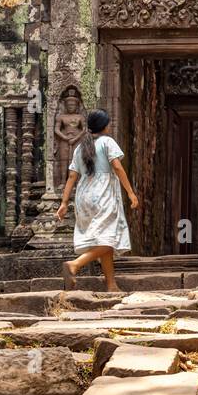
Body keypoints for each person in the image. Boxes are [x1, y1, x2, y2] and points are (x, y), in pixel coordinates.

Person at [56, 109, 140, 292]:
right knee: (110, 238)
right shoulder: (107, 142)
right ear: (105, 126)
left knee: (104, 237)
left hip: (83, 196)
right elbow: (117, 167)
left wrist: (63, 203)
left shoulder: (80, 147)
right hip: (103, 194)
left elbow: (71, 176)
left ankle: (111, 285)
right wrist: (131, 192)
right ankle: (75, 265)